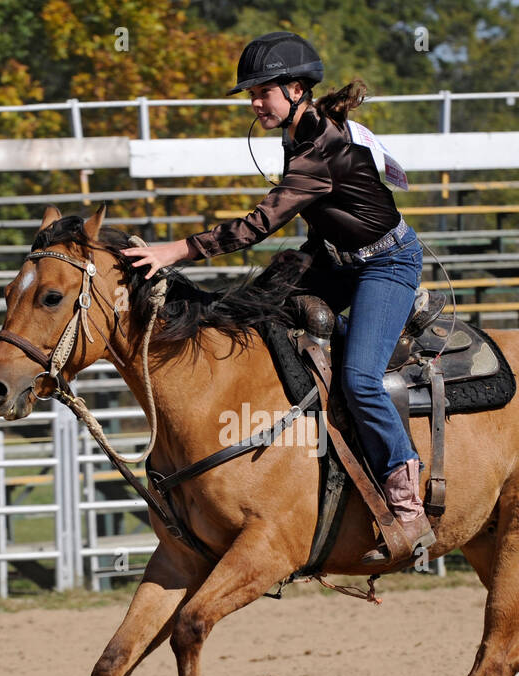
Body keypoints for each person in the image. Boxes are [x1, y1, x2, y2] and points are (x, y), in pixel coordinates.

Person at [123, 31, 434, 565]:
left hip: (386, 263)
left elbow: (257, 225)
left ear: (294, 89)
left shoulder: (322, 147)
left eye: (261, 92)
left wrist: (175, 251)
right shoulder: (299, 134)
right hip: (337, 257)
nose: (253, 103)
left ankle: (406, 502)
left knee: (360, 380)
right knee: (254, 304)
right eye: (252, 94)